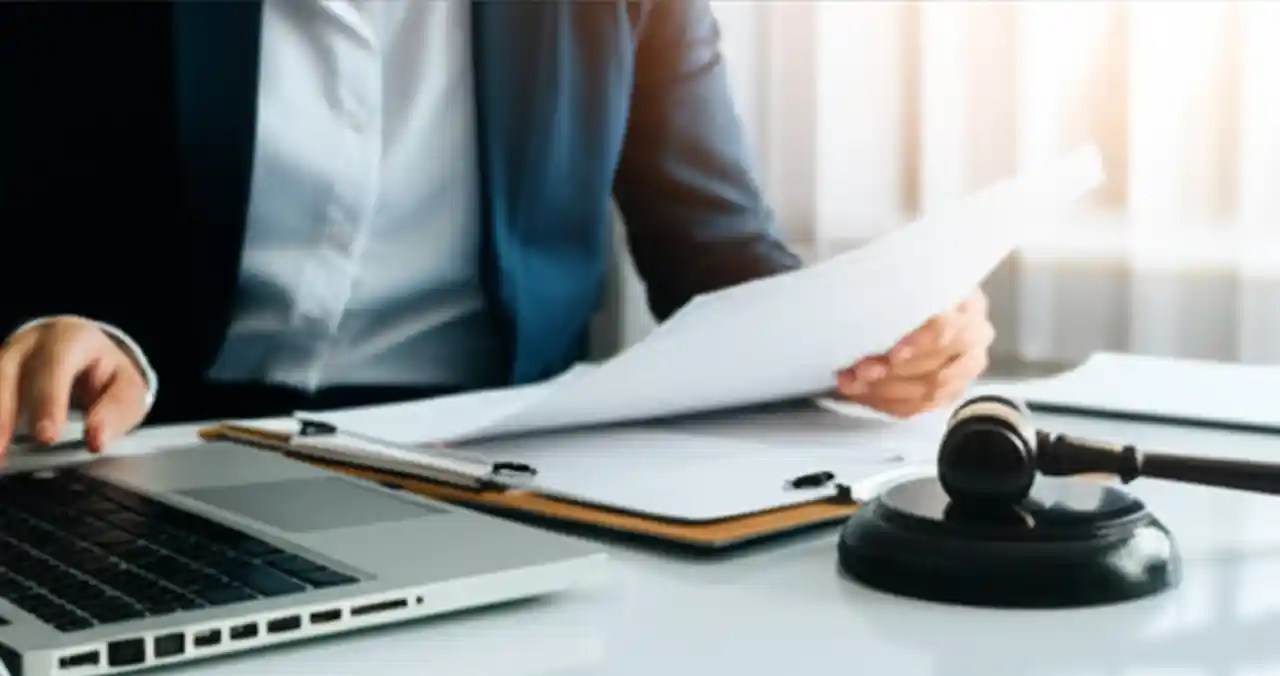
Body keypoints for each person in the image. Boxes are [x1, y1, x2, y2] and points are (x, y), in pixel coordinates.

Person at [0, 0, 994, 460]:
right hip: (169, 444)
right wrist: (51, 324)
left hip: (493, 457)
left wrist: (874, 336)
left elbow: (718, 257)